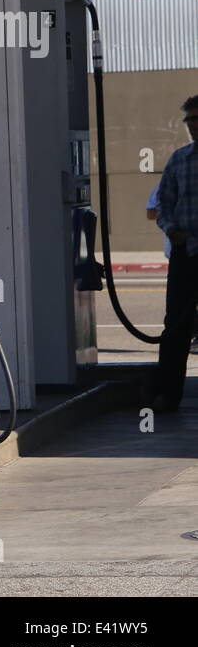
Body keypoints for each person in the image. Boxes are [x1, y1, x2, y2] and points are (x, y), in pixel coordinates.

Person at [151, 95, 198, 411]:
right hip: (186, 252)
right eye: (190, 119)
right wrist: (171, 229)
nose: (193, 124)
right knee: (176, 326)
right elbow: (163, 203)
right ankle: (167, 394)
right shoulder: (180, 160)